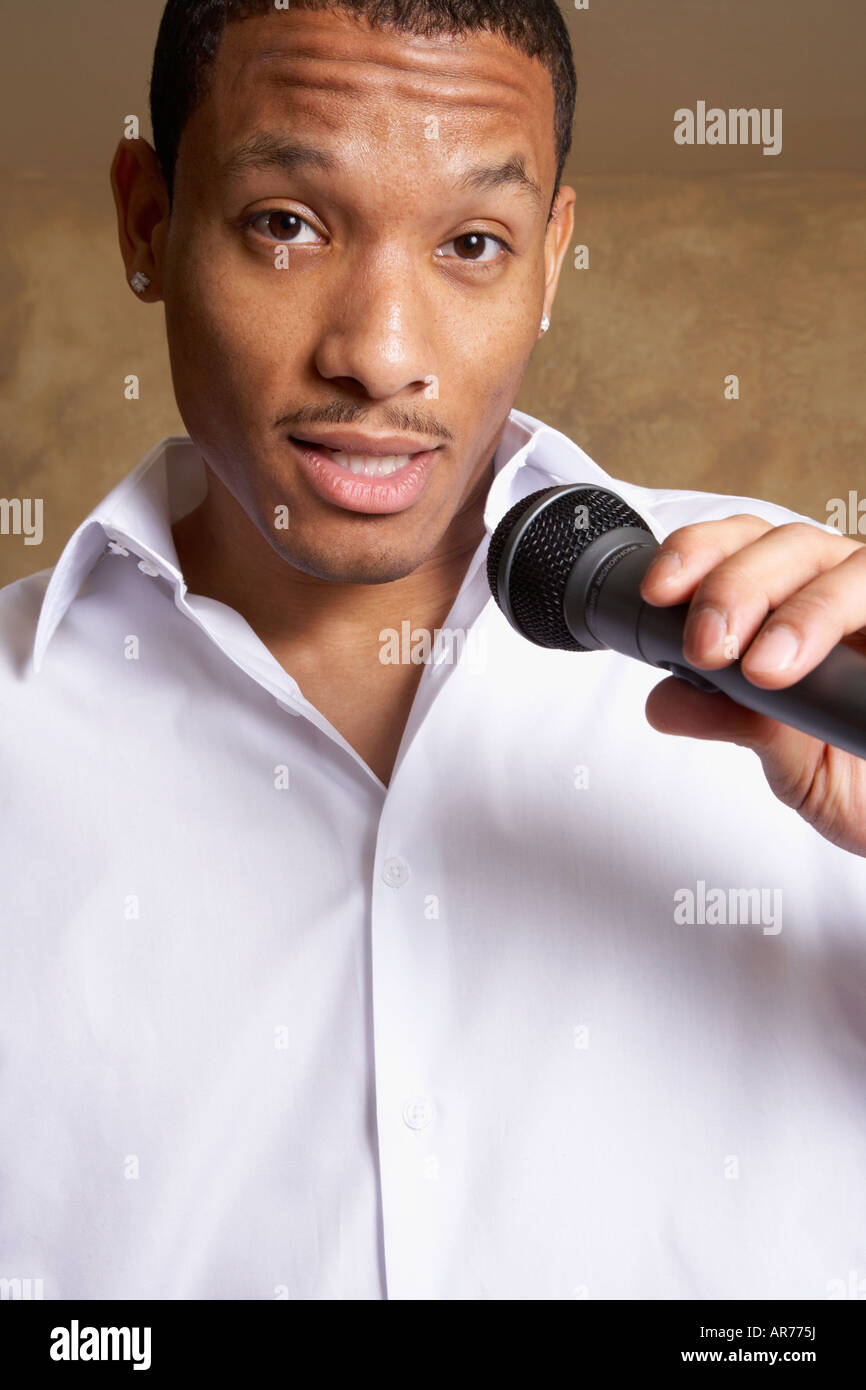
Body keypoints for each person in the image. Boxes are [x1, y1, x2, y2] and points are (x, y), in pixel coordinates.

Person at [1, 0, 864, 1301]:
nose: (381, 356)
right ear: (147, 221)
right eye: (286, 224)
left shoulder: (807, 658)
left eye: (471, 242)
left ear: (550, 256)